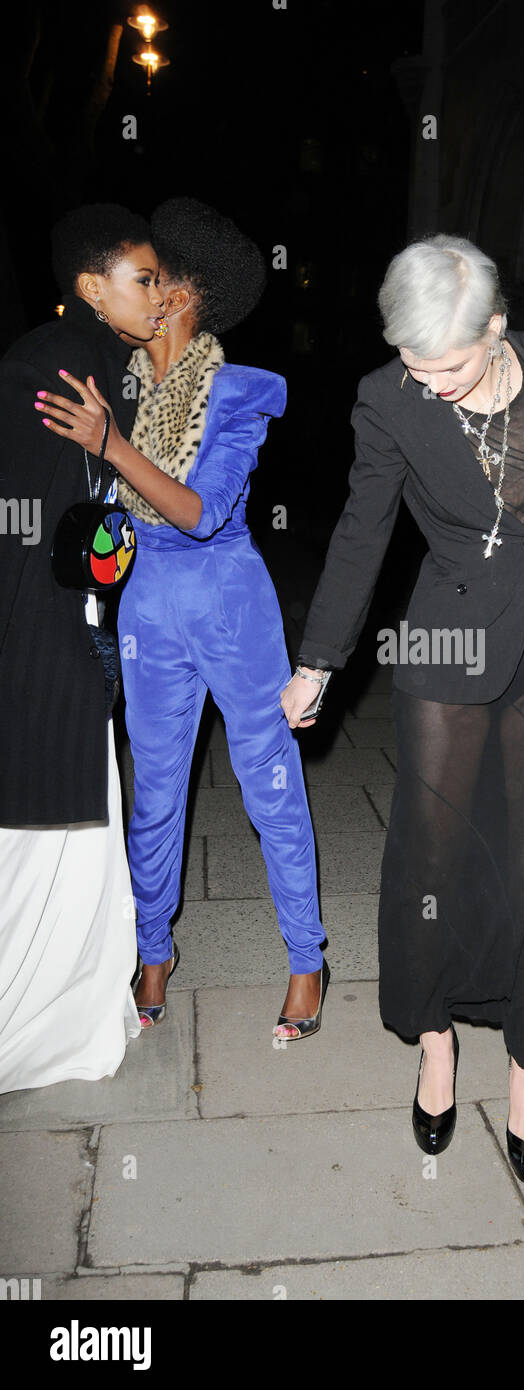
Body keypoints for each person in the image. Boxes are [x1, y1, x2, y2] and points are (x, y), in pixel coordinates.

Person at [281, 234, 524, 1181]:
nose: (427, 381)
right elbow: (361, 534)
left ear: (496, 328)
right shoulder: (385, 400)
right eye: (412, 361)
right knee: (429, 856)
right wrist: (317, 663)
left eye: (447, 363)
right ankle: (435, 1041)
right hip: (448, 639)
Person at [37, 197, 327, 1037]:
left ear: (185, 296)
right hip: (148, 605)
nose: (146, 290)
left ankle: (306, 959)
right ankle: (152, 948)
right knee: (154, 794)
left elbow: (201, 512)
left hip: (228, 599)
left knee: (268, 782)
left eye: (156, 277)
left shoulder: (236, 391)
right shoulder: (120, 385)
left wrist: (112, 448)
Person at [0, 203, 166, 1092]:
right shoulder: (49, 365)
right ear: (91, 286)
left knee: (79, 839)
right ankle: (32, 1027)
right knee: (41, 840)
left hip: (84, 633)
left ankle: (71, 1013)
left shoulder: (111, 366)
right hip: (44, 646)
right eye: (145, 279)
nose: (160, 293)